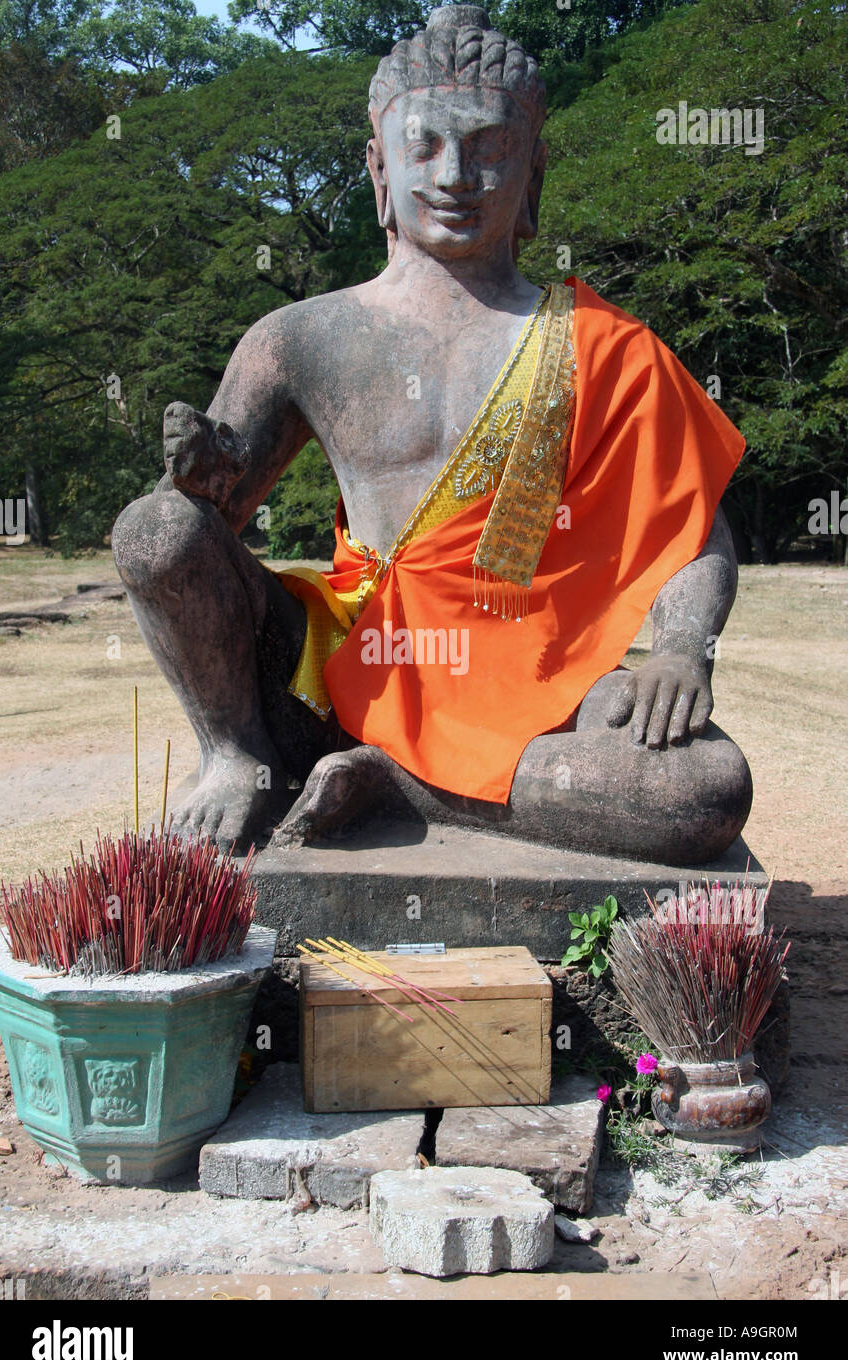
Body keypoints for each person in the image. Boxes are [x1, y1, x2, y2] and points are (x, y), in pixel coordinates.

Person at [113, 4, 752, 865]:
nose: (456, 175)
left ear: (533, 168)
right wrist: (196, 478)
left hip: (529, 676)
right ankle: (239, 758)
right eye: (425, 147)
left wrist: (680, 651)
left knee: (705, 788)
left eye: (490, 148)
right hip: (331, 668)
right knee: (151, 530)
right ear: (379, 166)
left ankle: (394, 782)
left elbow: (694, 528)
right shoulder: (300, 338)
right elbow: (195, 537)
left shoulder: (599, 344)